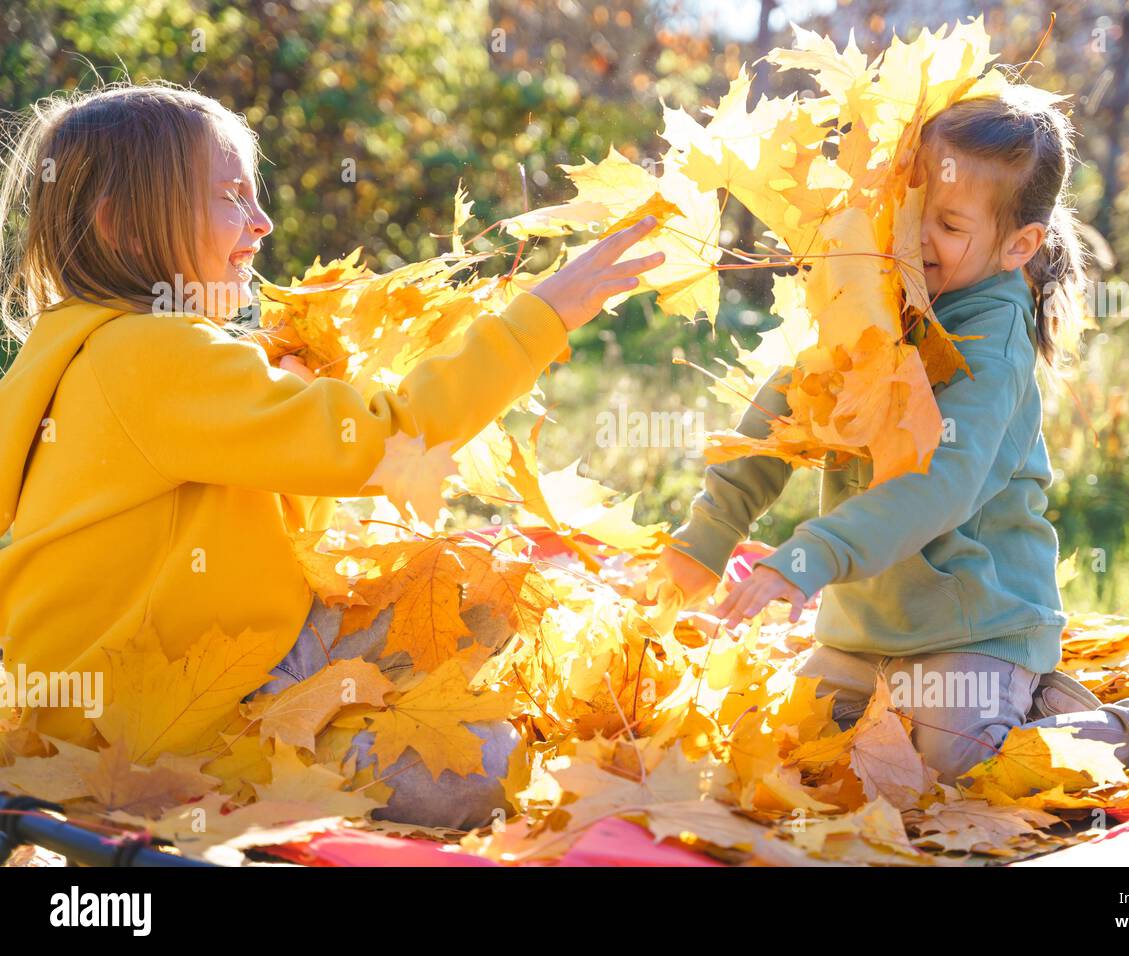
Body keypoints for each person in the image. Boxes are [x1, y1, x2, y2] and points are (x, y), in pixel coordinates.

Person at [0, 82, 662, 826]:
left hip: (113, 703)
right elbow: (389, 440)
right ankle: (307, 754)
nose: (262, 222)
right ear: (121, 226)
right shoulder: (150, 352)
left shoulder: (76, 354)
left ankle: (351, 725)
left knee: (480, 595)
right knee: (481, 761)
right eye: (229, 198)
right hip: (177, 722)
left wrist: (292, 390)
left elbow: (285, 522)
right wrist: (540, 319)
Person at [647, 86, 1129, 784]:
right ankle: (1035, 704)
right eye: (912, 207)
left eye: (951, 225)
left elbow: (941, 481)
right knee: (799, 758)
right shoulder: (873, 293)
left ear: (1017, 245)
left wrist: (813, 553)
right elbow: (783, 412)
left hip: (975, 624)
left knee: (961, 767)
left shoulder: (992, 338)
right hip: (862, 629)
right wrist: (707, 539)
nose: (919, 236)